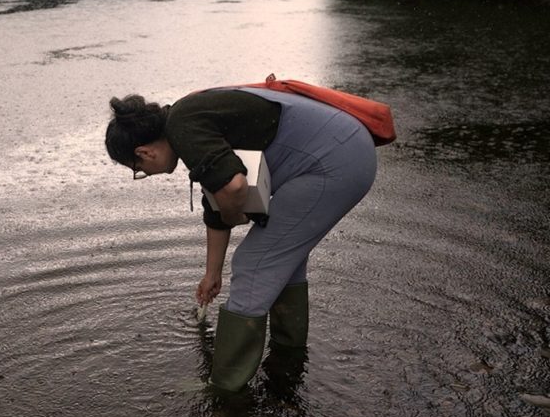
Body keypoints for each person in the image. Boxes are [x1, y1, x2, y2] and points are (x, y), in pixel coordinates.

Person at [104, 74, 393, 392]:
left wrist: (235, 212)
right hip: (345, 150)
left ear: (144, 152)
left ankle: (226, 388)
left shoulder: (184, 127)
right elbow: (214, 201)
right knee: (284, 262)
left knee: (253, 263)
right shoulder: (186, 121)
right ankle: (288, 358)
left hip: (333, 162)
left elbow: (233, 188)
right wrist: (212, 273)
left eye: (137, 170)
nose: (143, 173)